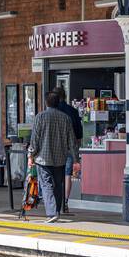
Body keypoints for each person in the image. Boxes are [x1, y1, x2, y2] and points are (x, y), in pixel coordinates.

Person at [28, 91, 76, 224]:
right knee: (58, 186)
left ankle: (52, 213)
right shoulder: (66, 118)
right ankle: (57, 211)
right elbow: (71, 140)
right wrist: (76, 159)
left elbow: (35, 139)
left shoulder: (40, 117)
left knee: (46, 184)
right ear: (58, 102)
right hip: (60, 159)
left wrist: (31, 155)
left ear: (46, 103)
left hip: (42, 158)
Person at [54, 89, 83, 202]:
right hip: (70, 146)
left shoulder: (53, 111)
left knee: (55, 173)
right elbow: (79, 133)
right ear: (65, 96)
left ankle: (56, 199)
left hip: (55, 147)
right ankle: (65, 201)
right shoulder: (73, 111)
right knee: (67, 174)